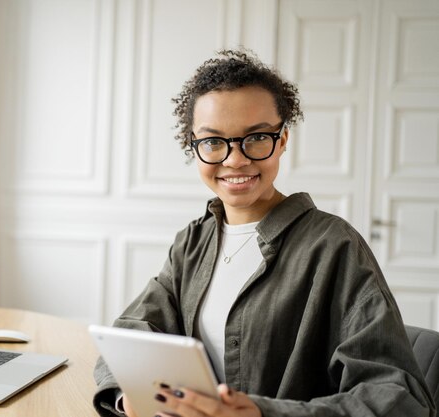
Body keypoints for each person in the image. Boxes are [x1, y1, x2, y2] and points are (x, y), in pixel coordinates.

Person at [92, 48, 436, 417]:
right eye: (212, 142)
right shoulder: (193, 242)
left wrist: (261, 413)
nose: (235, 159)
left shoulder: (334, 246)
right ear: (193, 145)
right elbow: (132, 332)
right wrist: (134, 397)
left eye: (256, 137)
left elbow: (398, 398)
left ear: (283, 139)